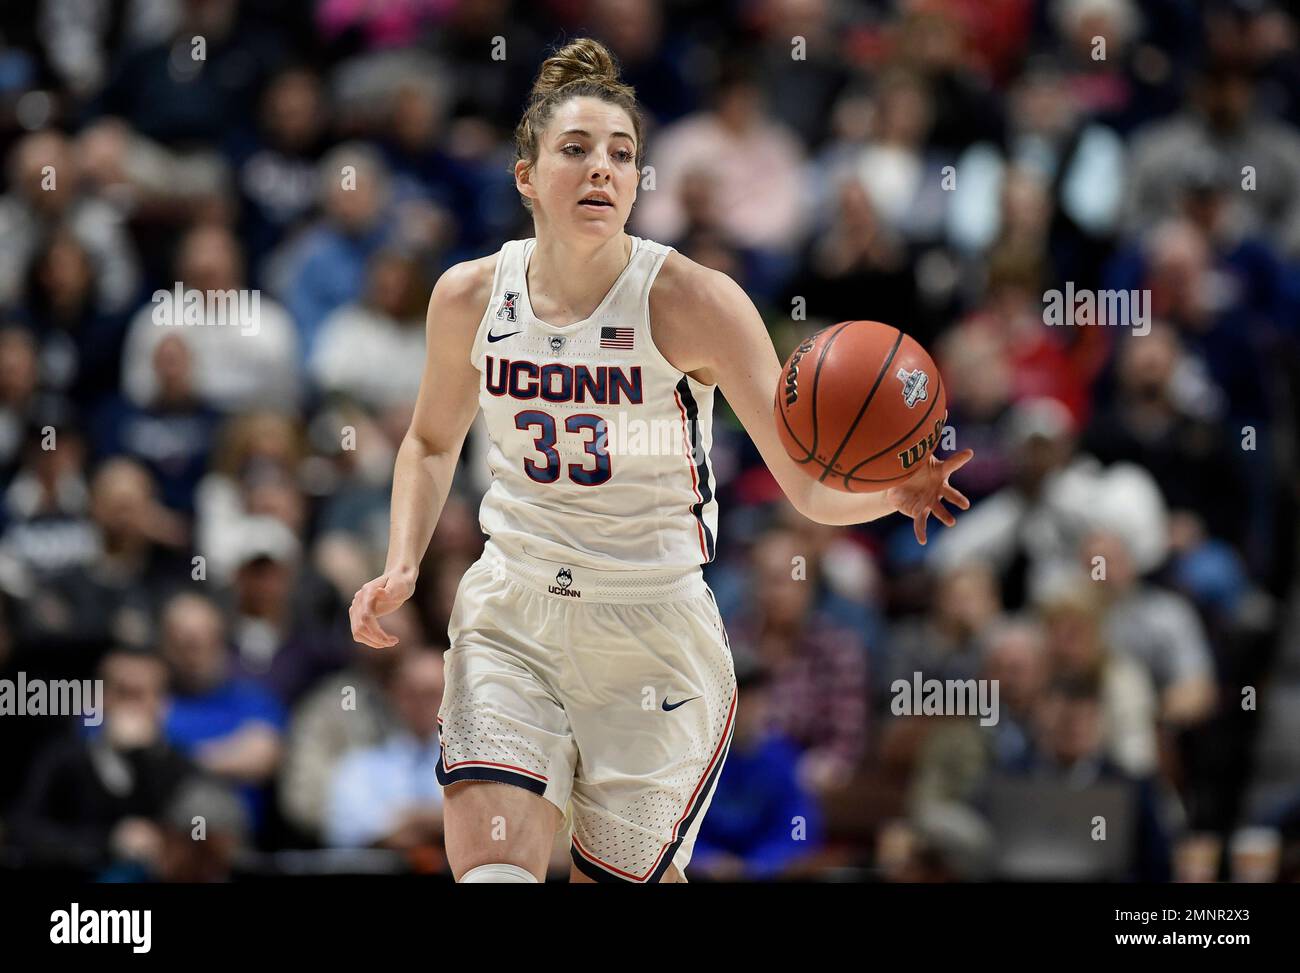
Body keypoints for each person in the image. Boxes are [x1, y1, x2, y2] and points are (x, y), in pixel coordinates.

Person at [348, 37, 973, 884]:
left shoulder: (696, 300)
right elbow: (428, 441)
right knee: (494, 867)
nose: (602, 169)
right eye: (575, 150)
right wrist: (402, 563)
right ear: (526, 174)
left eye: (622, 154)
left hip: (651, 629)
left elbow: (805, 486)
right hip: (512, 609)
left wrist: (896, 493)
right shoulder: (468, 295)